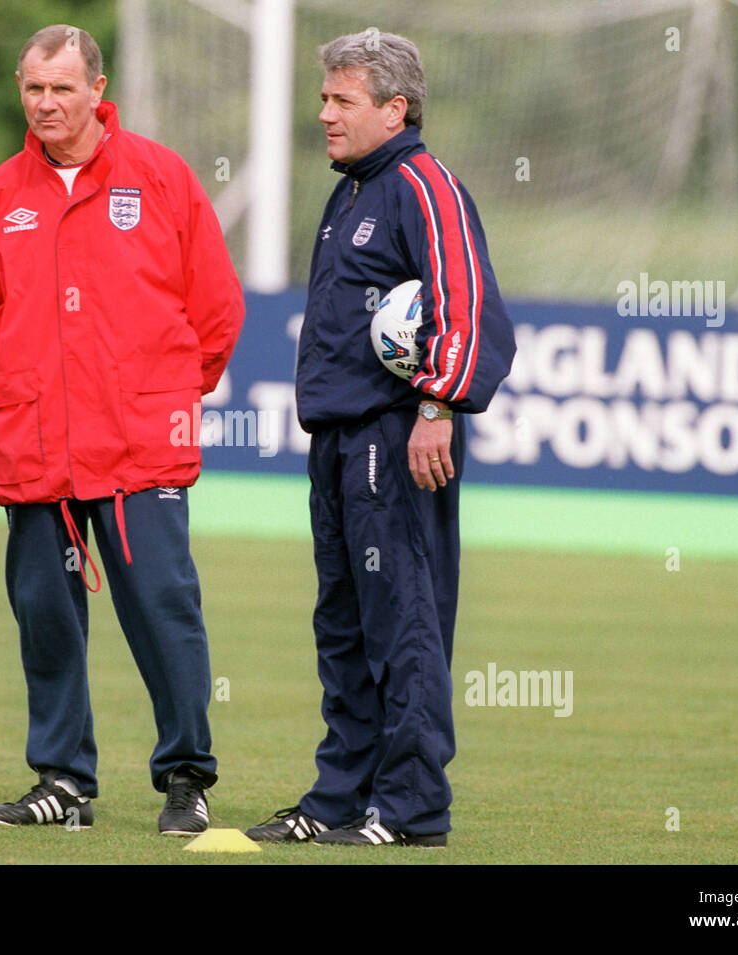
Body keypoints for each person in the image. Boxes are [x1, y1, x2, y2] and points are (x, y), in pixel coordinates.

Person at [0, 24, 244, 836]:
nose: (47, 104)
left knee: (166, 613)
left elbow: (217, 312)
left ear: (98, 90)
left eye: (63, 88)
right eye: (34, 89)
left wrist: (156, 393)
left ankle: (186, 781)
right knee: (46, 622)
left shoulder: (161, 179)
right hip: (36, 451)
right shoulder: (1, 196)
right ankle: (63, 781)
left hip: (139, 453)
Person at [246, 30, 515, 847]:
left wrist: (437, 408)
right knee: (344, 626)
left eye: (342, 101)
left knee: (403, 622)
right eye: (324, 98)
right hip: (337, 440)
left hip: (394, 438)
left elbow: (470, 308)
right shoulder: (353, 191)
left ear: (395, 109)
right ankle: (338, 799)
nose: (323, 114)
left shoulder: (424, 187)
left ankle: (409, 809)